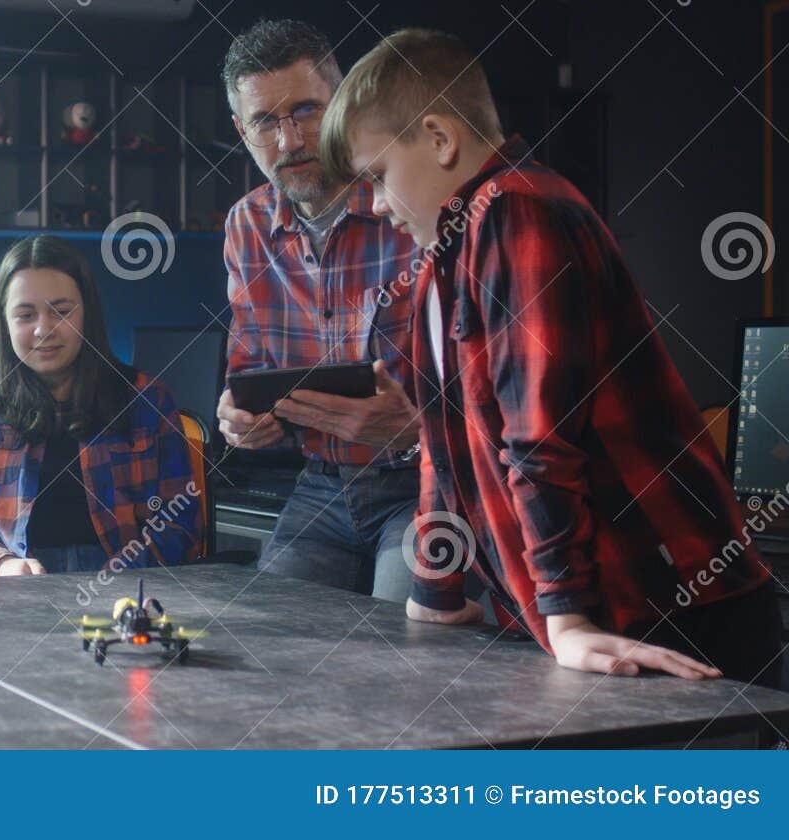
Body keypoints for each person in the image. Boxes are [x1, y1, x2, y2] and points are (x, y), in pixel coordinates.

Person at [318, 28, 783, 685]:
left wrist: (562, 613)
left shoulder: (518, 211)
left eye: (378, 176)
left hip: (674, 609)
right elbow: (444, 451)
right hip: (585, 623)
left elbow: (540, 434)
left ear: (440, 138)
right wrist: (436, 591)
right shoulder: (436, 268)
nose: (379, 205)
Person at [215, 19, 423, 600]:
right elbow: (252, 367)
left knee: (405, 647)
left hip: (426, 485)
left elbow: (499, 396)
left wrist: (414, 431)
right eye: (264, 121)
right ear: (241, 129)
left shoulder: (408, 204)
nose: (289, 141)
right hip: (321, 487)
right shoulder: (246, 226)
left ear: (342, 105)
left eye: (306, 110)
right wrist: (242, 419)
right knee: (277, 644)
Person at [0, 235, 201, 577]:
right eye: (25, 315)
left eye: (62, 311)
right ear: (6, 323)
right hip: (20, 586)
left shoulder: (147, 398)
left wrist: (122, 576)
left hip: (125, 587)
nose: (44, 329)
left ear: (88, 313)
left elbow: (181, 517)